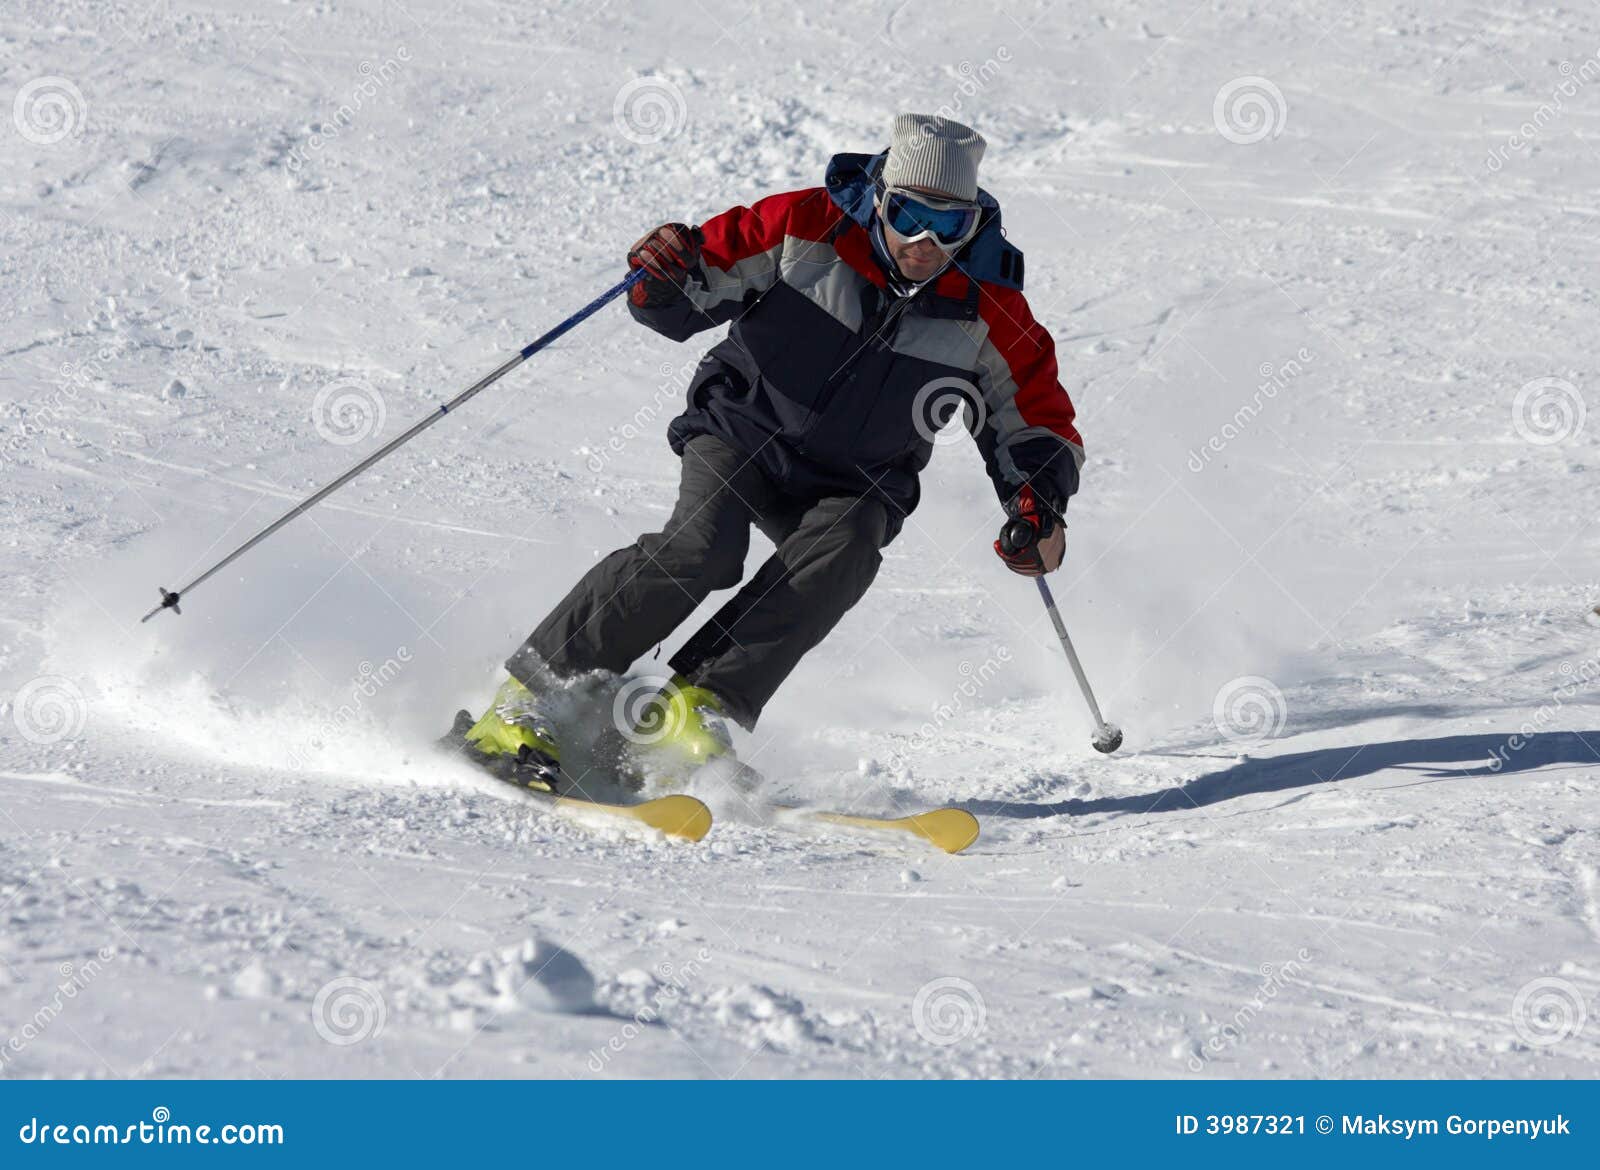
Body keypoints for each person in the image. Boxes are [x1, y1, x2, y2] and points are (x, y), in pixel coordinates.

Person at [451, 113, 1084, 791]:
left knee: (845, 551)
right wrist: (664, 274)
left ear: (974, 222)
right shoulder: (804, 227)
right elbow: (688, 289)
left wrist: (1037, 504)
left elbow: (1033, 422)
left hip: (857, 476)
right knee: (703, 550)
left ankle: (689, 712)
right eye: (908, 215)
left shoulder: (990, 306)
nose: (925, 241)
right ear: (879, 197)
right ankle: (526, 699)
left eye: (949, 225)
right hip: (743, 429)